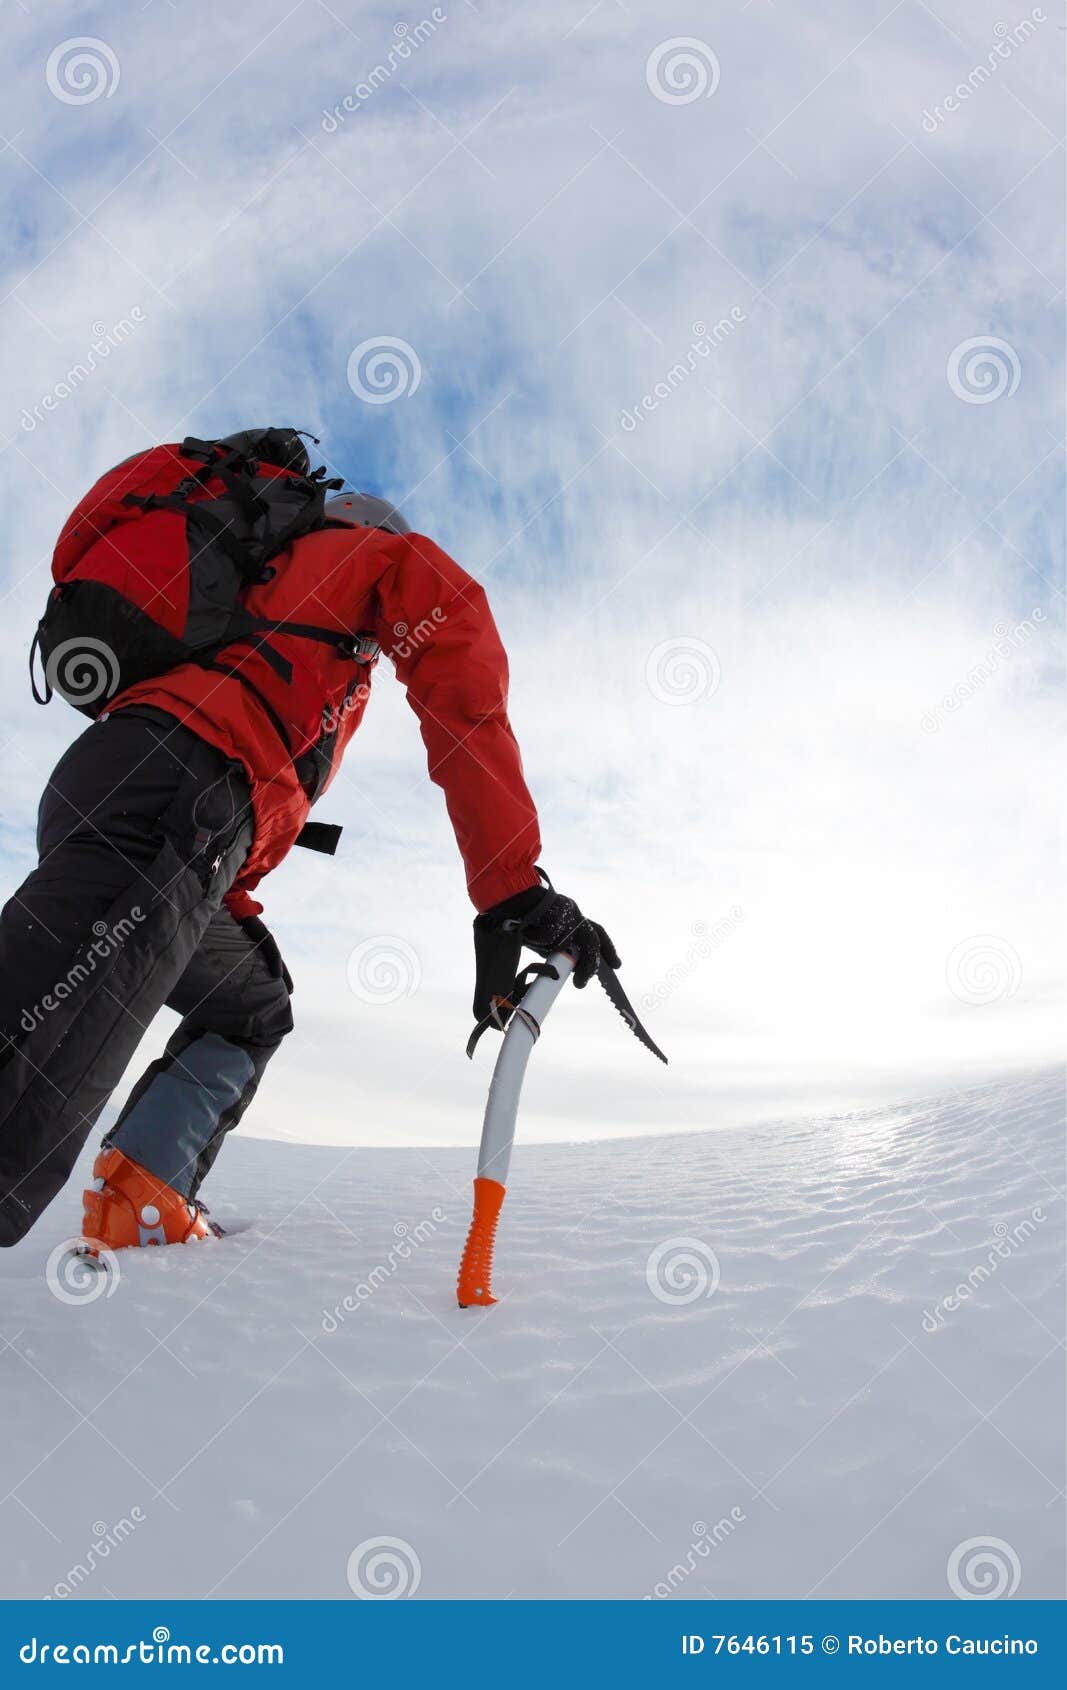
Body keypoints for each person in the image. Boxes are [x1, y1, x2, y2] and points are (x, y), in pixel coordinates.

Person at [0, 431, 618, 1250]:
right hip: (175, 801)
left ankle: (144, 1196)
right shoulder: (373, 558)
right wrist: (509, 889)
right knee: (33, 1055)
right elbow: (460, 681)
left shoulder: (256, 599)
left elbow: (241, 761)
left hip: (127, 794)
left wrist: (219, 883)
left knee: (250, 1006)